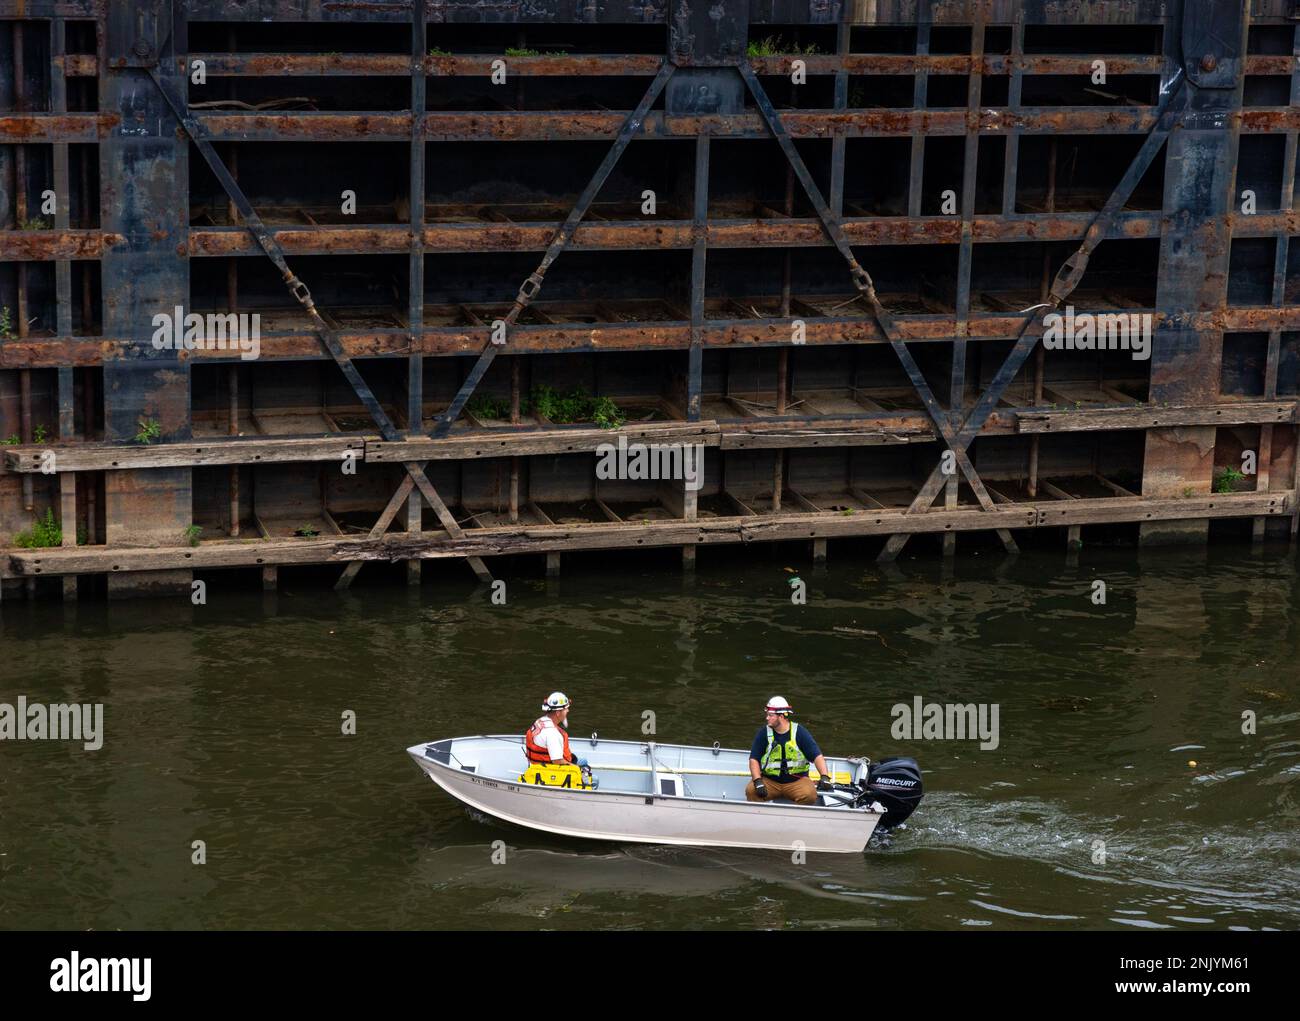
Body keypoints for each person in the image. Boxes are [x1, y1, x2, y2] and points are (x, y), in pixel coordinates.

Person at [745, 696, 833, 804]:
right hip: (770, 781)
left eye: (770, 715)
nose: (767, 718)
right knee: (751, 791)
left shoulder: (800, 732)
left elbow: (817, 756)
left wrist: (824, 776)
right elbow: (754, 759)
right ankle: (760, 817)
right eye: (767, 714)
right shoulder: (763, 733)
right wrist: (758, 781)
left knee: (810, 795)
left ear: (781, 716)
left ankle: (795, 818)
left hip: (797, 781)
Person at [524, 691, 588, 769]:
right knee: (593, 778)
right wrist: (576, 768)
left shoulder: (540, 721)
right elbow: (557, 761)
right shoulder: (552, 734)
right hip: (550, 770)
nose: (568, 711)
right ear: (558, 713)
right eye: (566, 709)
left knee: (584, 761)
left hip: (538, 765)